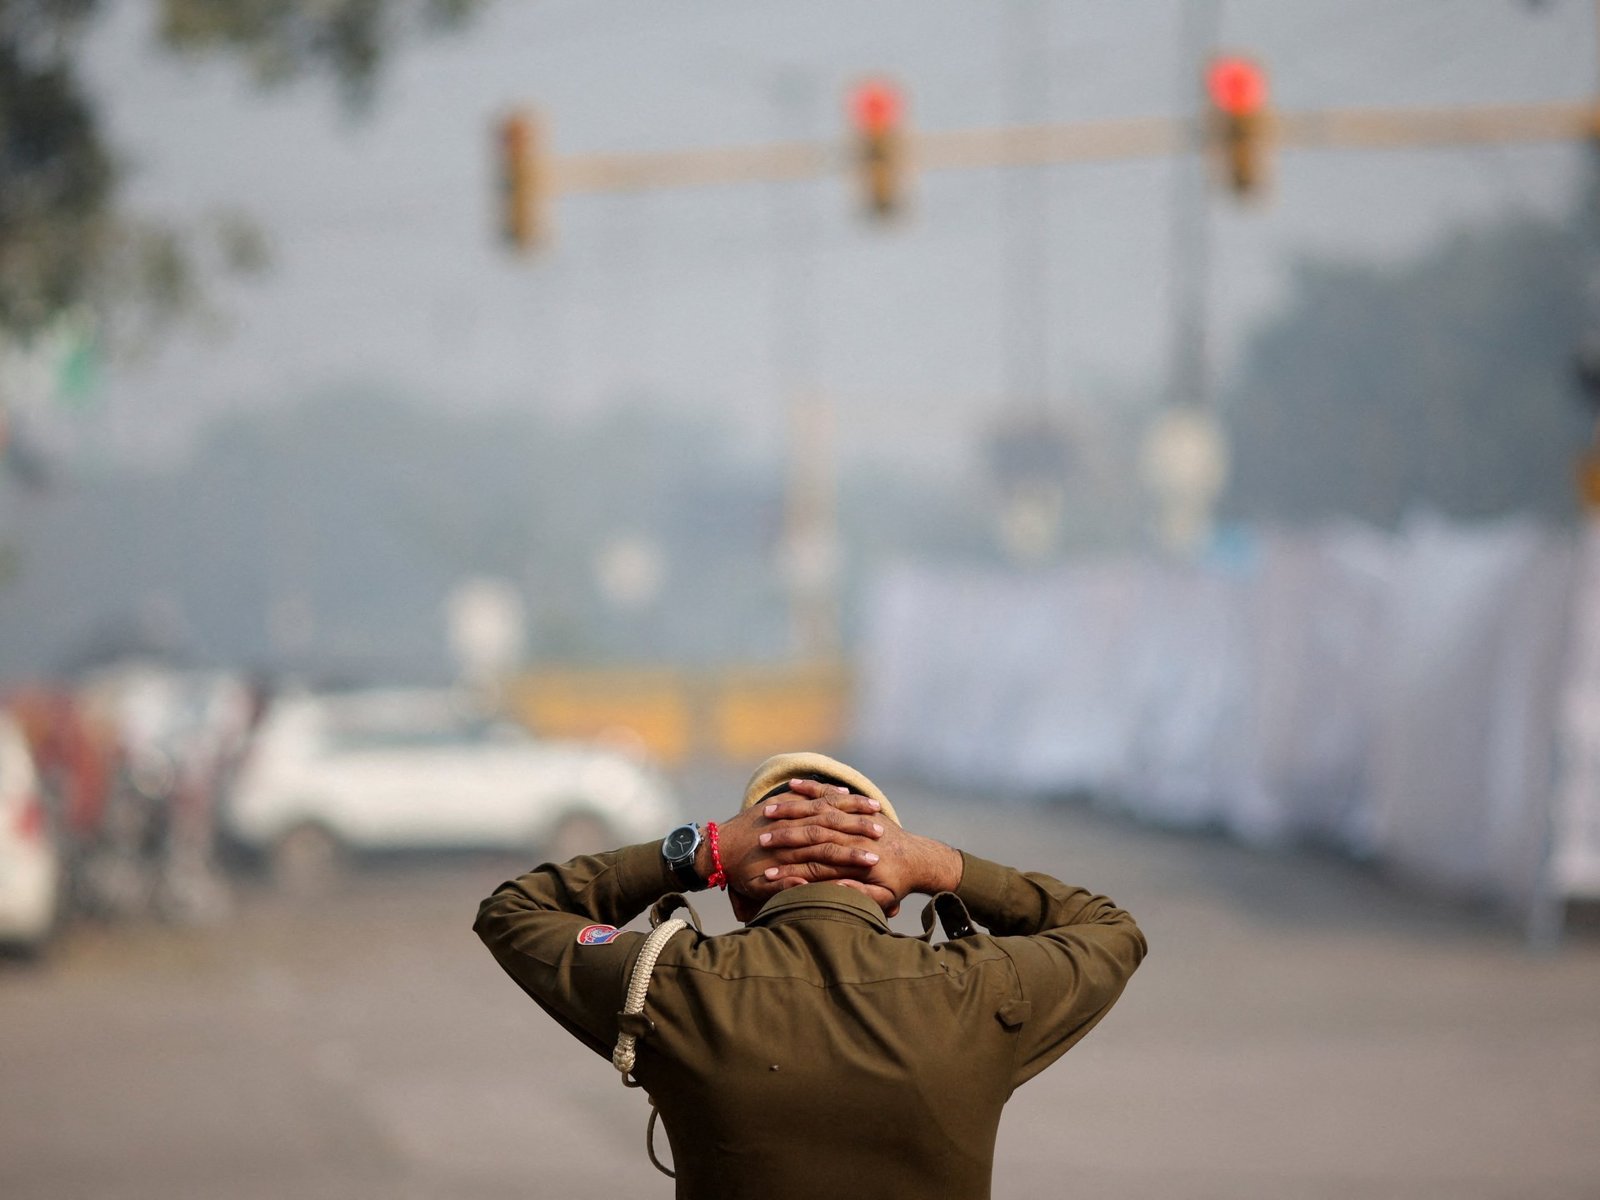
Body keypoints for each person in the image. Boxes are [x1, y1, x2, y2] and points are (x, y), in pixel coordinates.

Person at [474, 751, 1147, 1200]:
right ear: (892, 890)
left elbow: (514, 912)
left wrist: (699, 849)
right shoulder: (982, 989)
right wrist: (941, 865)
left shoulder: (672, 984)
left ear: (736, 893)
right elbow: (1110, 931)